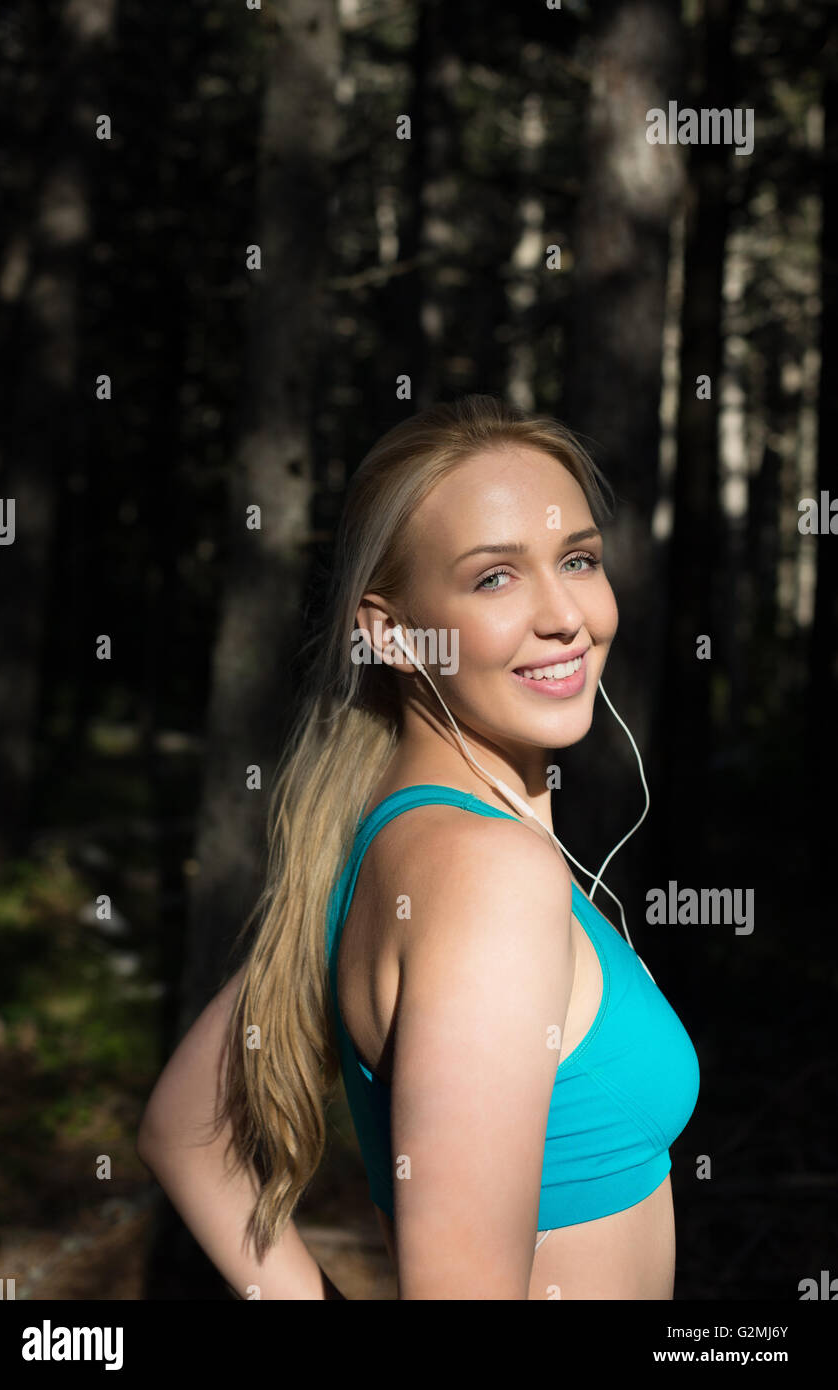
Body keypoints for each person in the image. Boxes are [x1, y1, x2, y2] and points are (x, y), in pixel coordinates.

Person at [137, 393, 699, 1299]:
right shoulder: (488, 877)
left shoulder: (378, 841)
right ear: (390, 632)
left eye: (578, 559)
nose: (566, 616)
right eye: (495, 578)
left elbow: (182, 1128)